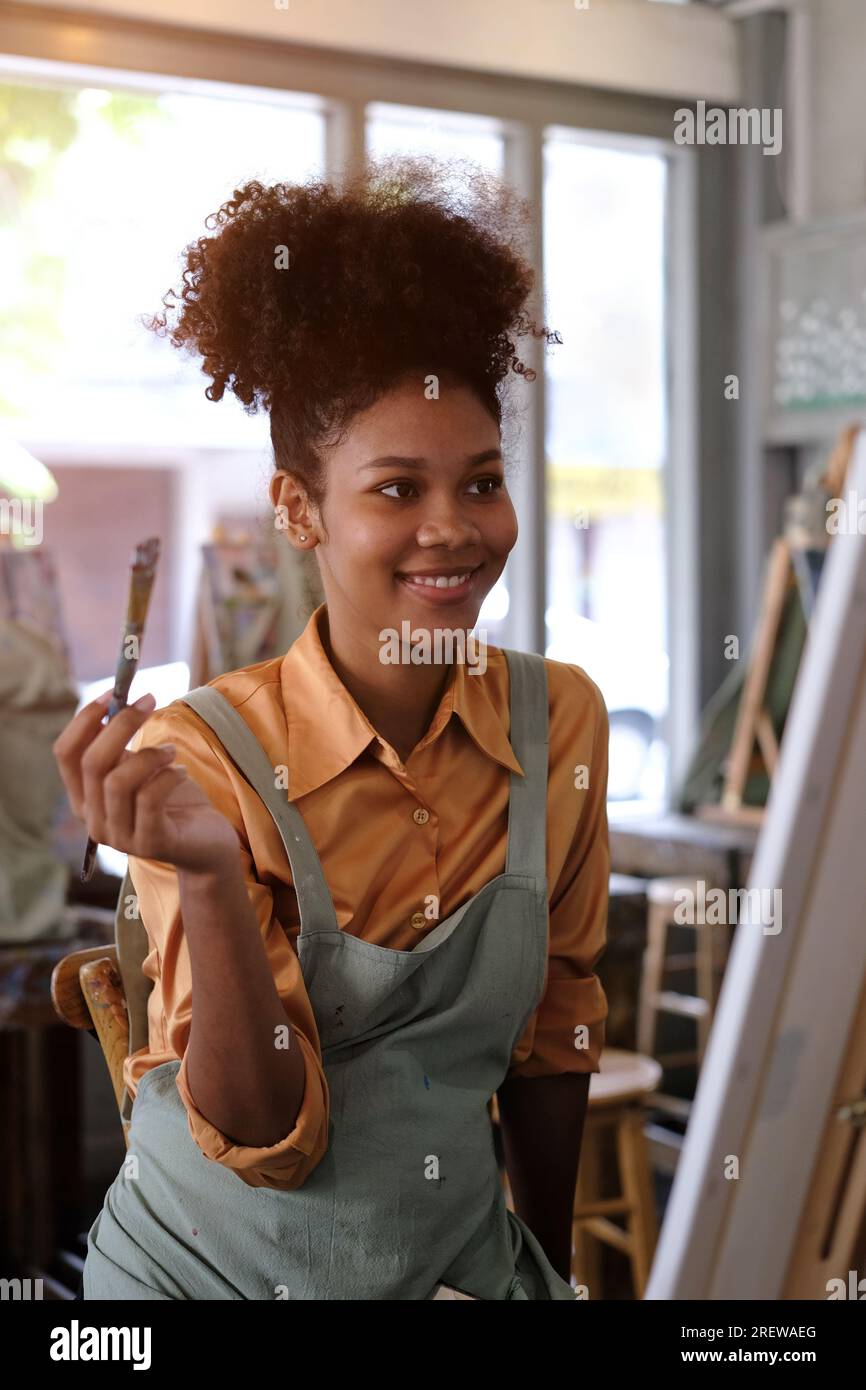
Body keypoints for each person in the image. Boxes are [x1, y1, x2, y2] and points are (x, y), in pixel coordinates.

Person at [53, 156, 610, 1300]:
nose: (454, 530)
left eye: (482, 481)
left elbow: (553, 1039)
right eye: (398, 490)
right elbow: (268, 1136)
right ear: (298, 508)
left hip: (445, 1264)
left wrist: (552, 1278)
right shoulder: (202, 757)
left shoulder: (559, 722)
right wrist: (205, 879)